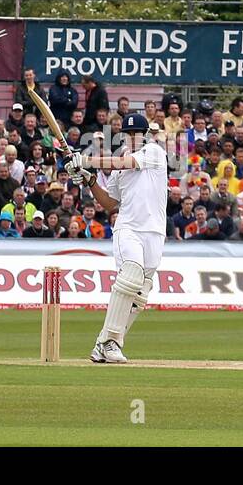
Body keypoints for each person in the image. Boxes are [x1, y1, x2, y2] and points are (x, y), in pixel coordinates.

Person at [67, 112, 166, 365]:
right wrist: (89, 179)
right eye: (128, 134)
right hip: (128, 228)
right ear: (123, 135)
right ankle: (111, 342)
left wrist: (86, 160)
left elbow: (126, 164)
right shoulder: (118, 166)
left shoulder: (154, 152)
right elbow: (110, 203)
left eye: (136, 134)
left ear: (144, 136)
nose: (133, 137)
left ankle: (103, 344)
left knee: (141, 293)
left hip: (154, 231)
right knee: (130, 276)